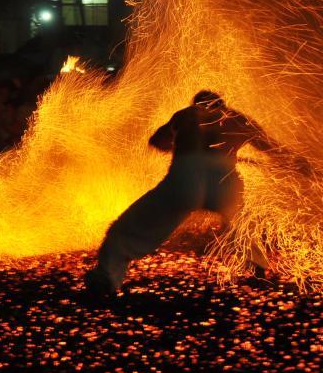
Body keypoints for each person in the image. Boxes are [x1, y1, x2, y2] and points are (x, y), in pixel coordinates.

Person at [84, 90, 295, 294]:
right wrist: (303, 165)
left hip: (185, 179)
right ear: (222, 104)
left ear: (197, 104)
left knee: (125, 229)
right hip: (224, 181)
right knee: (243, 224)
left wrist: (177, 143)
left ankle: (106, 278)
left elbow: (157, 141)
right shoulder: (237, 119)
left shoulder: (186, 115)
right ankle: (258, 269)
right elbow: (273, 149)